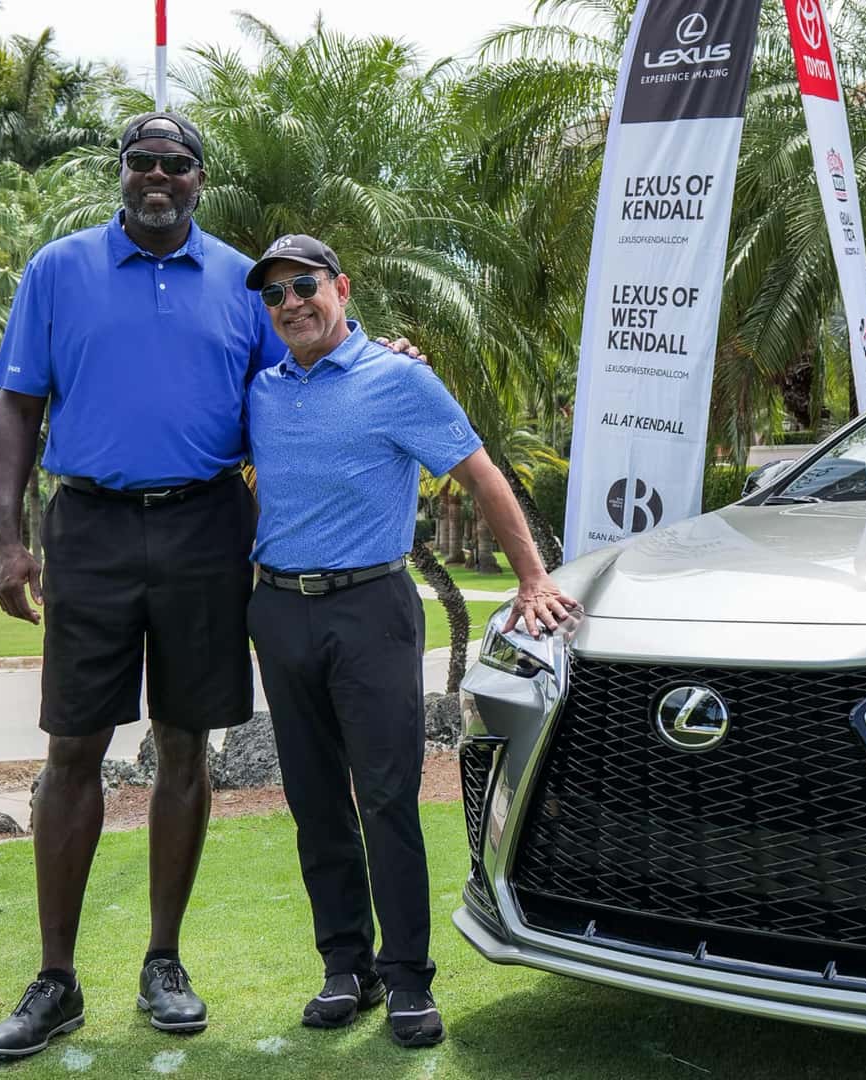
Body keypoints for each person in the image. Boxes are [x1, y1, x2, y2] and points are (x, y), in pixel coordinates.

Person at [0, 114, 418, 1061]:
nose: (158, 178)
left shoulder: (241, 281)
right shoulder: (59, 268)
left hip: (207, 527)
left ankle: (163, 962)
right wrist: (9, 542)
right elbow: (17, 407)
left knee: (185, 745)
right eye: (143, 163)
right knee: (73, 748)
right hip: (88, 527)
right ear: (122, 173)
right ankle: (56, 978)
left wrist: (391, 361)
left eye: (177, 165)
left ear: (199, 180)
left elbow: (311, 365)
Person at [243, 234, 578, 1048]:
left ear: (342, 288)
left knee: (388, 797)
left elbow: (483, 474)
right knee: (314, 802)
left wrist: (533, 579)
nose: (291, 303)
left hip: (372, 610)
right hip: (280, 612)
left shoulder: (401, 377)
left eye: (304, 286)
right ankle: (344, 969)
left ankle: (407, 981)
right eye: (275, 294)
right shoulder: (258, 388)